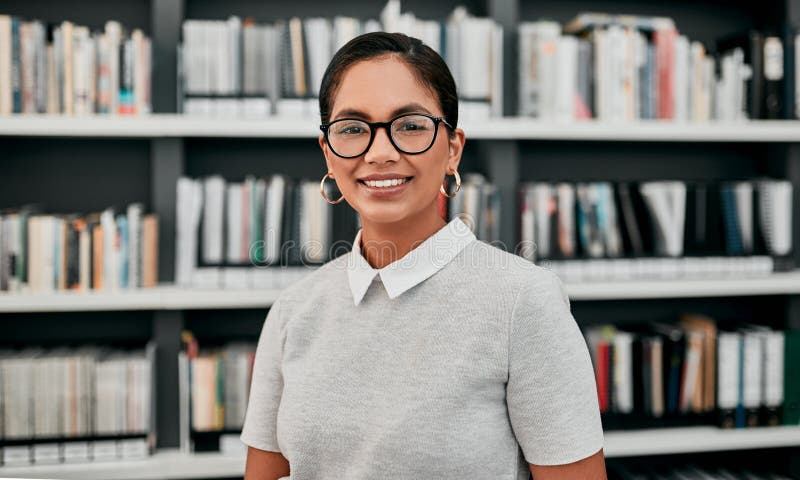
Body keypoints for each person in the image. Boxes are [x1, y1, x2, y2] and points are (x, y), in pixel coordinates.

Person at [240, 31, 606, 480]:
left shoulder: (523, 302)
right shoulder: (293, 311)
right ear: (328, 154)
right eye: (353, 129)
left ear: (453, 148)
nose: (379, 153)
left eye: (410, 125)